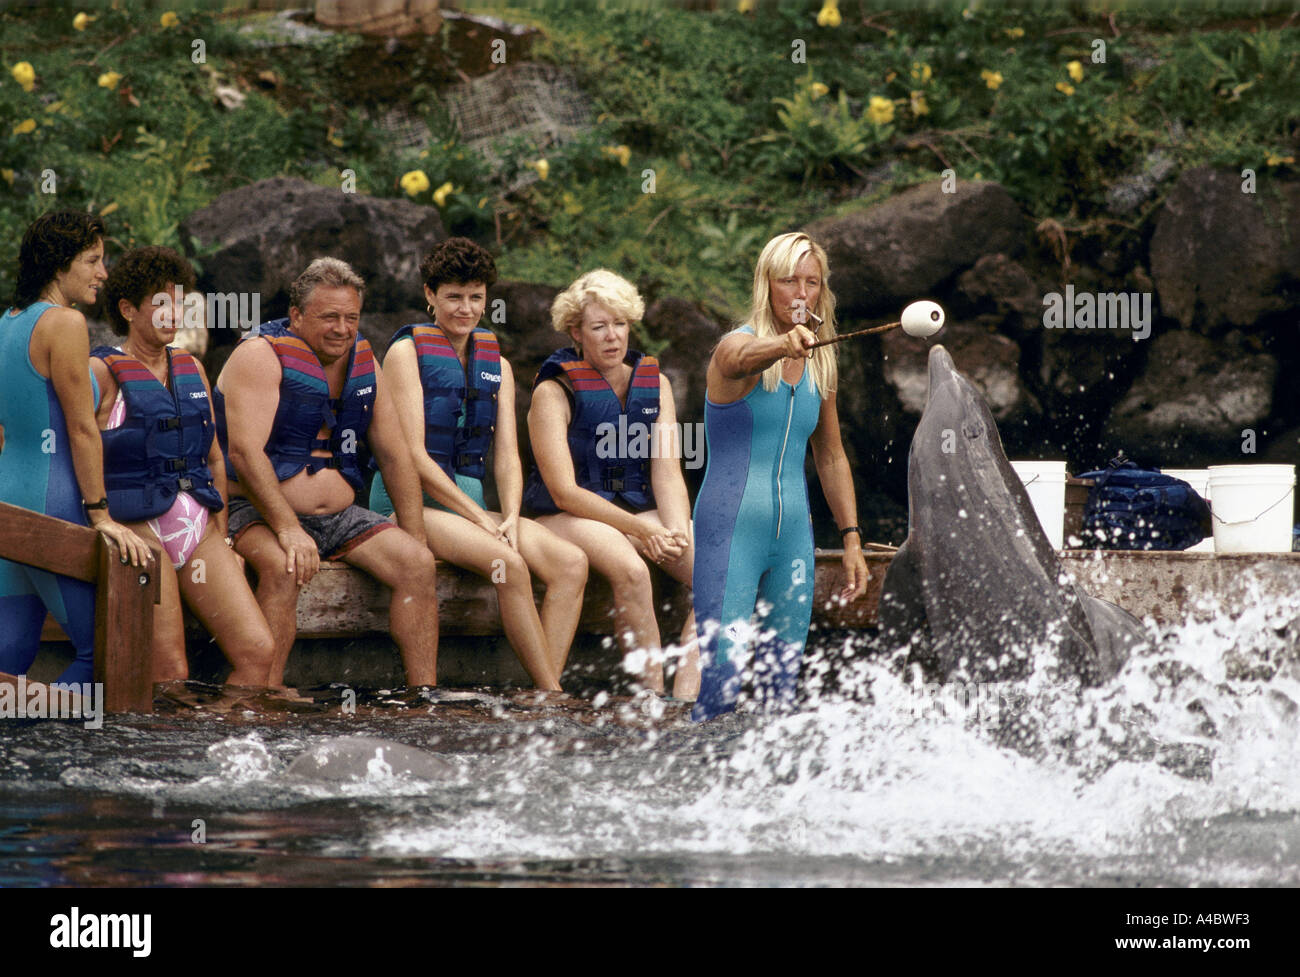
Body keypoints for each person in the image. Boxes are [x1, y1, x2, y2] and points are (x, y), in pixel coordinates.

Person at [370, 238, 587, 690]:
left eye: (475, 298)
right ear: (430, 294)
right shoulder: (405, 354)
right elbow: (413, 457)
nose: (465, 309)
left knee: (570, 563)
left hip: (471, 510)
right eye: (453, 297)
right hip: (410, 505)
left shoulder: (499, 365)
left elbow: (508, 455)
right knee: (510, 564)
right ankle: (551, 695)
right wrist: (483, 522)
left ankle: (539, 688)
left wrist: (508, 515)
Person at [214, 257, 438, 690]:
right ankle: (265, 694)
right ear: (296, 316)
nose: (341, 328)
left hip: (339, 517)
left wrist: (415, 531)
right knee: (283, 566)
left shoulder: (363, 364)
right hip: (255, 509)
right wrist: (288, 527)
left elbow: (393, 456)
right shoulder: (259, 356)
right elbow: (243, 453)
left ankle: (421, 695)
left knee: (417, 563)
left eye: (350, 318)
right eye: (329, 317)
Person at [691, 232, 869, 722]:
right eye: (789, 280)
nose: (800, 293)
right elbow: (736, 358)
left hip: (793, 538)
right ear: (767, 284)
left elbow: (831, 456)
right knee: (722, 685)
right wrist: (780, 345)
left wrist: (852, 539)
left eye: (812, 283)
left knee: (780, 692)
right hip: (730, 533)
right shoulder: (738, 348)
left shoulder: (821, 360)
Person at [91, 246, 274, 686]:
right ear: (128, 309)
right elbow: (77, 451)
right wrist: (100, 521)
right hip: (137, 534)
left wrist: (223, 532)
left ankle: (225, 750)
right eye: (161, 303)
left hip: (197, 530)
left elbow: (213, 456)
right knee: (171, 672)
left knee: (258, 653)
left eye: (179, 301)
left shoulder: (192, 366)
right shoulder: (101, 372)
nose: (174, 312)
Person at [524, 269, 699, 699]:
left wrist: (673, 531)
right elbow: (564, 490)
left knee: (720, 575)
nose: (612, 337)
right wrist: (643, 530)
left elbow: (667, 471)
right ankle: (651, 697)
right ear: (576, 332)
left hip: (639, 512)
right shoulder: (554, 390)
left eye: (619, 324)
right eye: (599, 327)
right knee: (632, 570)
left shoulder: (655, 385)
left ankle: (687, 698)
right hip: (564, 515)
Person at [0, 211, 153, 686]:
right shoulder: (64, 323)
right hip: (55, 504)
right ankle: (53, 753)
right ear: (57, 265)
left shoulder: (7, 322)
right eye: (92, 260)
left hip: (8, 500)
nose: (103, 273)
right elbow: (82, 429)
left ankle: (17, 755)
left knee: (9, 657)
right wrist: (101, 515)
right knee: (104, 656)